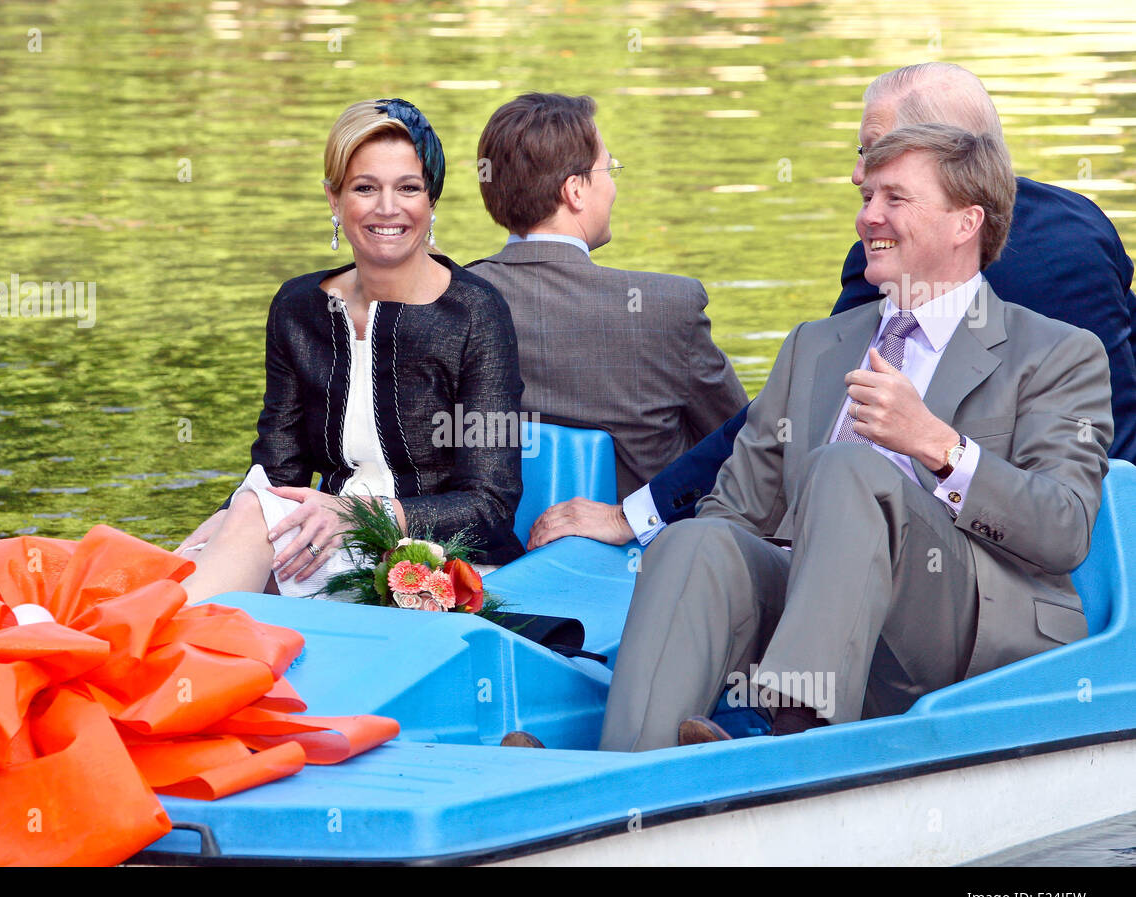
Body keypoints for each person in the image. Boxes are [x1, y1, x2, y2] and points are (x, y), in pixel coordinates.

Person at [600, 123, 1112, 751]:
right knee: (696, 539)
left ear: (965, 223)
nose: (869, 217)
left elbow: (1064, 530)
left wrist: (937, 446)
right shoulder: (813, 346)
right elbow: (733, 511)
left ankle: (801, 750)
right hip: (806, 617)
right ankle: (625, 773)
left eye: (894, 199)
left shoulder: (1058, 352)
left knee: (848, 470)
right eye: (867, 198)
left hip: (968, 628)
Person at [526, 62, 1136, 552]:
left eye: (876, 154)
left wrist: (635, 514)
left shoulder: (891, 255)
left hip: (986, 545)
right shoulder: (1087, 222)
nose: (855, 176)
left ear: (945, 153)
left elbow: (807, 403)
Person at [176, 98, 525, 603]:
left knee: (228, 553)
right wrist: (234, 516)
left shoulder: (475, 314)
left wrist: (355, 514)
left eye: (408, 188)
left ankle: (157, 653)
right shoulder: (298, 308)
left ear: (431, 202)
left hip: (442, 560)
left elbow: (489, 506)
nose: (388, 207)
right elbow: (279, 472)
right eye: (365, 188)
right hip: (320, 539)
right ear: (334, 200)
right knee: (204, 546)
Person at [465, 92, 746, 500]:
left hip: (485, 556)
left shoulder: (453, 300)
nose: (612, 186)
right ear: (575, 190)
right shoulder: (667, 307)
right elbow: (743, 445)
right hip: (642, 556)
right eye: (609, 168)